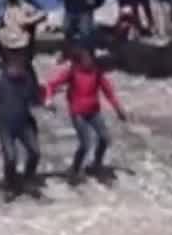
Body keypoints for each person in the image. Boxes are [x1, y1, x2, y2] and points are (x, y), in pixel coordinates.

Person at [43, 45, 127, 182]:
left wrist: (118, 109)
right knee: (85, 143)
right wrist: (49, 99)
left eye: (90, 58)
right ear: (79, 61)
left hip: (94, 111)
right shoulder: (72, 72)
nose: (89, 62)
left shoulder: (97, 73)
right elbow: (51, 84)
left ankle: (96, 164)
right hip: (78, 113)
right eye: (85, 59)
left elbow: (108, 92)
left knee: (105, 138)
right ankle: (75, 169)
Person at [0, 52, 45, 197]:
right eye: (15, 68)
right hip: (5, 126)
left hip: (24, 124)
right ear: (7, 68)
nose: (18, 71)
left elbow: (35, 99)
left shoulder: (26, 81)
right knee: (10, 157)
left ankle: (28, 179)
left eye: (20, 68)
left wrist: (44, 102)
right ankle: (10, 183)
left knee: (35, 152)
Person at [0, 0, 49, 84]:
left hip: (24, 41)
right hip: (8, 41)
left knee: (25, 66)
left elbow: (42, 14)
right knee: (9, 67)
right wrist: (0, 27)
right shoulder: (4, 5)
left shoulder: (25, 2)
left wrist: (28, 22)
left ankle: (33, 89)